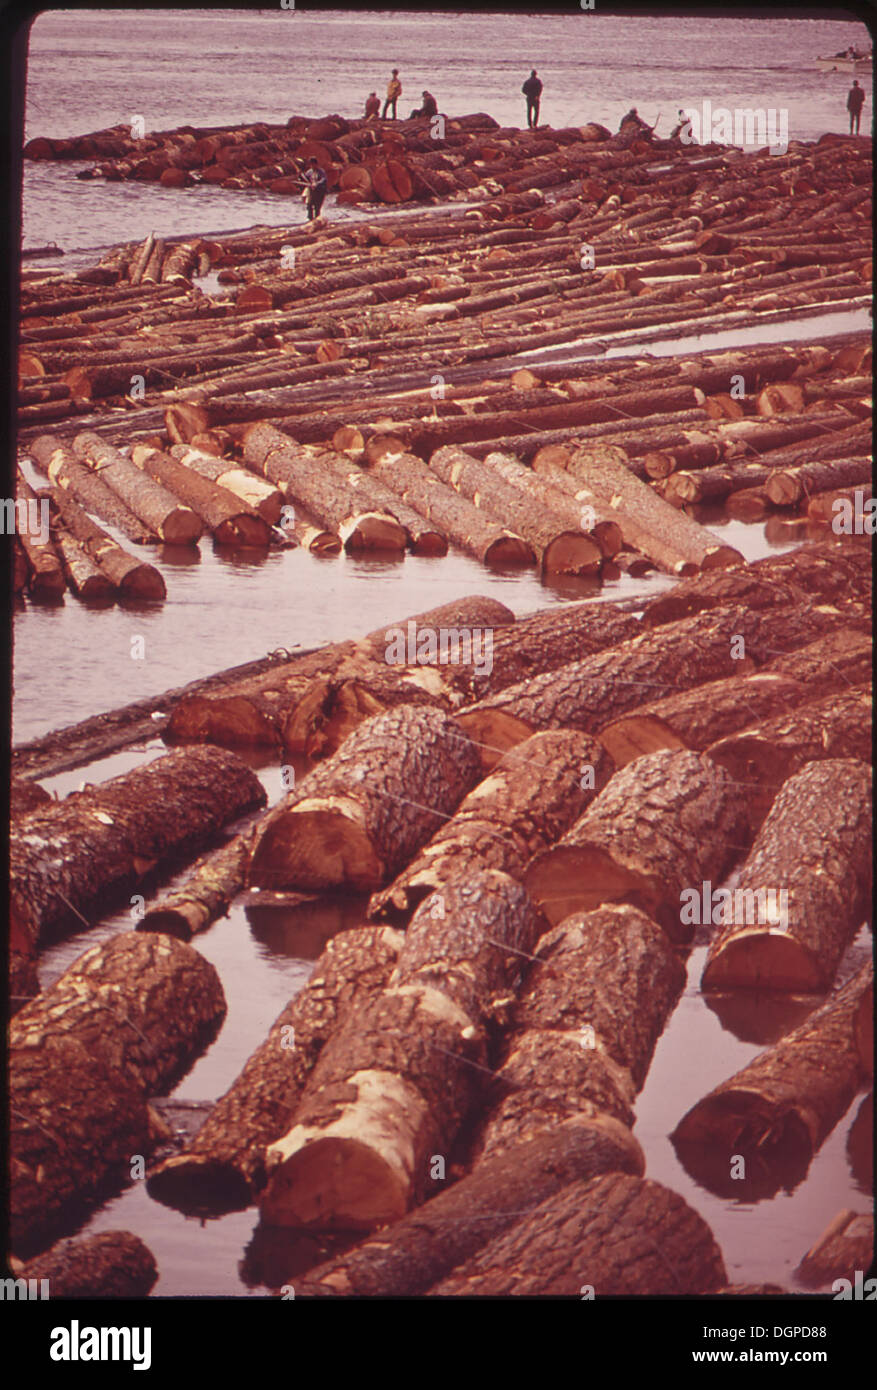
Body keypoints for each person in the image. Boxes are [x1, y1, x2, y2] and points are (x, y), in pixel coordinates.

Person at [301, 156, 328, 221]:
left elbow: (324, 179)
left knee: (317, 207)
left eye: (313, 164)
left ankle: (317, 220)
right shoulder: (309, 172)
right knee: (309, 205)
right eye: (311, 165)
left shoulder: (321, 171)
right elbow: (305, 178)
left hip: (319, 192)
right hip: (311, 192)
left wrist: (317, 184)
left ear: (316, 164)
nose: (312, 166)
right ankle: (310, 219)